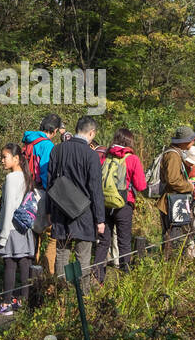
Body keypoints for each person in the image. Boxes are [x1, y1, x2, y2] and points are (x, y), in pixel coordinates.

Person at [46, 116, 106, 291]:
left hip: (60, 210)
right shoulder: (91, 155)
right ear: (91, 132)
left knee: (62, 253)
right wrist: (100, 219)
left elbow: (50, 183)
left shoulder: (57, 150)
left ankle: (61, 294)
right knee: (83, 256)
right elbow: (95, 189)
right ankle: (83, 296)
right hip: (83, 212)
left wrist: (49, 210)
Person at [92, 127, 148, 284]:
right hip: (124, 205)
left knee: (103, 242)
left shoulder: (106, 156)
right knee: (124, 242)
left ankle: (97, 279)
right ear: (129, 141)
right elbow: (141, 185)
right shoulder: (132, 159)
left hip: (105, 204)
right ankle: (125, 280)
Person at [0, 143, 37, 315]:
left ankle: (5, 304)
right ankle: (24, 301)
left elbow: (9, 207)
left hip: (10, 227)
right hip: (24, 227)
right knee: (24, 263)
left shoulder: (11, 178)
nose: (2, 160)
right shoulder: (26, 176)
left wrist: (2, 234)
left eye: (5, 157)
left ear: (16, 158)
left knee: (9, 264)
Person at [21, 115, 63, 286]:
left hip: (26, 191)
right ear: (53, 131)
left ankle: (30, 270)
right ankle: (46, 274)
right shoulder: (47, 145)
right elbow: (46, 172)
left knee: (32, 234)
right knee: (50, 234)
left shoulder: (28, 140)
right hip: (41, 192)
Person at [157, 125, 195, 257]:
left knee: (174, 237)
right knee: (173, 238)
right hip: (171, 203)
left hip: (174, 202)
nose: (193, 142)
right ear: (184, 141)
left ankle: (172, 263)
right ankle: (170, 265)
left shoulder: (176, 153)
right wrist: (190, 187)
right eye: (192, 140)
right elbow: (173, 180)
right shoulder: (173, 155)